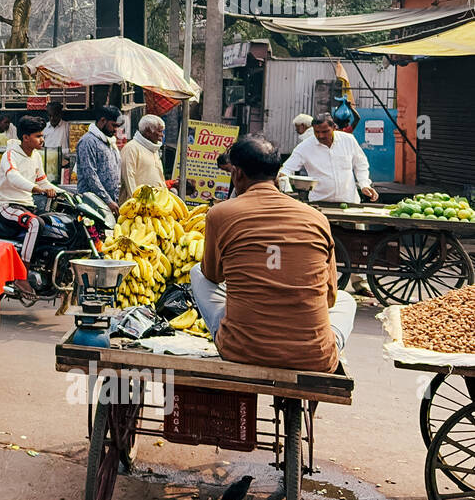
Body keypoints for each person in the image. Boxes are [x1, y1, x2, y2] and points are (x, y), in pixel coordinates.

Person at [190, 134, 356, 372]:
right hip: (314, 356)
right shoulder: (316, 218)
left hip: (240, 350)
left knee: (197, 272)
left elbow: (213, 276)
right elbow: (329, 297)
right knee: (346, 299)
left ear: (236, 173)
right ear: (277, 175)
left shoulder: (220, 214)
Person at [0, 115, 59, 294]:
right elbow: (13, 177)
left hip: (27, 206)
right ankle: (21, 275)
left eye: (42, 136)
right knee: (35, 223)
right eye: (38, 136)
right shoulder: (10, 155)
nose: (42, 140)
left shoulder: (36, 156)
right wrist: (36, 189)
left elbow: (44, 181)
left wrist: (66, 194)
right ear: (25, 137)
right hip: (8, 206)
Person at [277, 112, 377, 205]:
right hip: (319, 203)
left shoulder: (348, 140)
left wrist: (364, 184)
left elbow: (361, 164)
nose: (321, 135)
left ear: (334, 127)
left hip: (350, 201)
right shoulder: (304, 147)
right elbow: (286, 170)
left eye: (325, 131)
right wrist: (283, 184)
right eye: (317, 132)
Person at [76, 105, 122, 209]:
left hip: (110, 202)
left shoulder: (109, 141)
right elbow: (90, 175)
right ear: (102, 121)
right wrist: (107, 200)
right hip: (92, 204)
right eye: (113, 125)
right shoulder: (88, 142)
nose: (115, 130)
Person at [119, 114, 167, 202]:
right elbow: (128, 178)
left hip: (155, 205)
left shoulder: (153, 149)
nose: (162, 135)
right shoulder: (131, 148)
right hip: (136, 207)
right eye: (159, 131)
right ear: (148, 131)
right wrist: (137, 202)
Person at [42, 100, 69, 184]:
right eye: (50, 116)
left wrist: (60, 153)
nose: (52, 118)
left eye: (55, 115)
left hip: (63, 164)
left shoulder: (67, 127)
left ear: (60, 114)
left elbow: (72, 149)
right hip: (47, 165)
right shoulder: (44, 127)